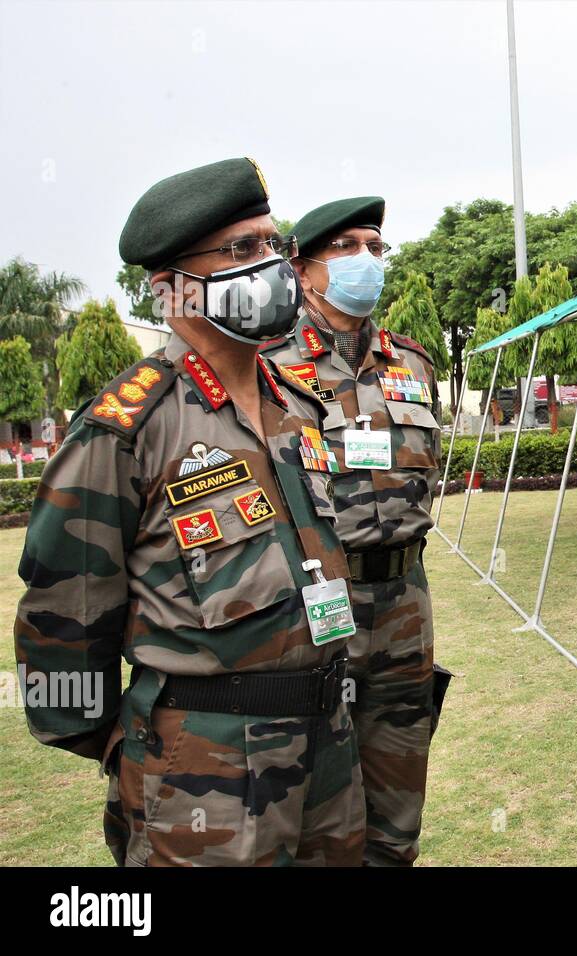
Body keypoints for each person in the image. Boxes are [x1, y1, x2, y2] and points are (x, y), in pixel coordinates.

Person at [13, 158, 366, 866]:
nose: (270, 265)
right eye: (241, 250)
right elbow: (63, 616)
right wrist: (128, 746)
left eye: (272, 244)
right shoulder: (127, 427)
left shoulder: (299, 402)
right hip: (208, 766)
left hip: (329, 738)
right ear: (171, 287)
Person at [260, 196, 448, 866]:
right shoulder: (268, 365)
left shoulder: (414, 365)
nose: (365, 259)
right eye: (345, 247)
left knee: (399, 793)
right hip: (314, 602)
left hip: (404, 601)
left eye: (374, 246)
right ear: (301, 267)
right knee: (314, 799)